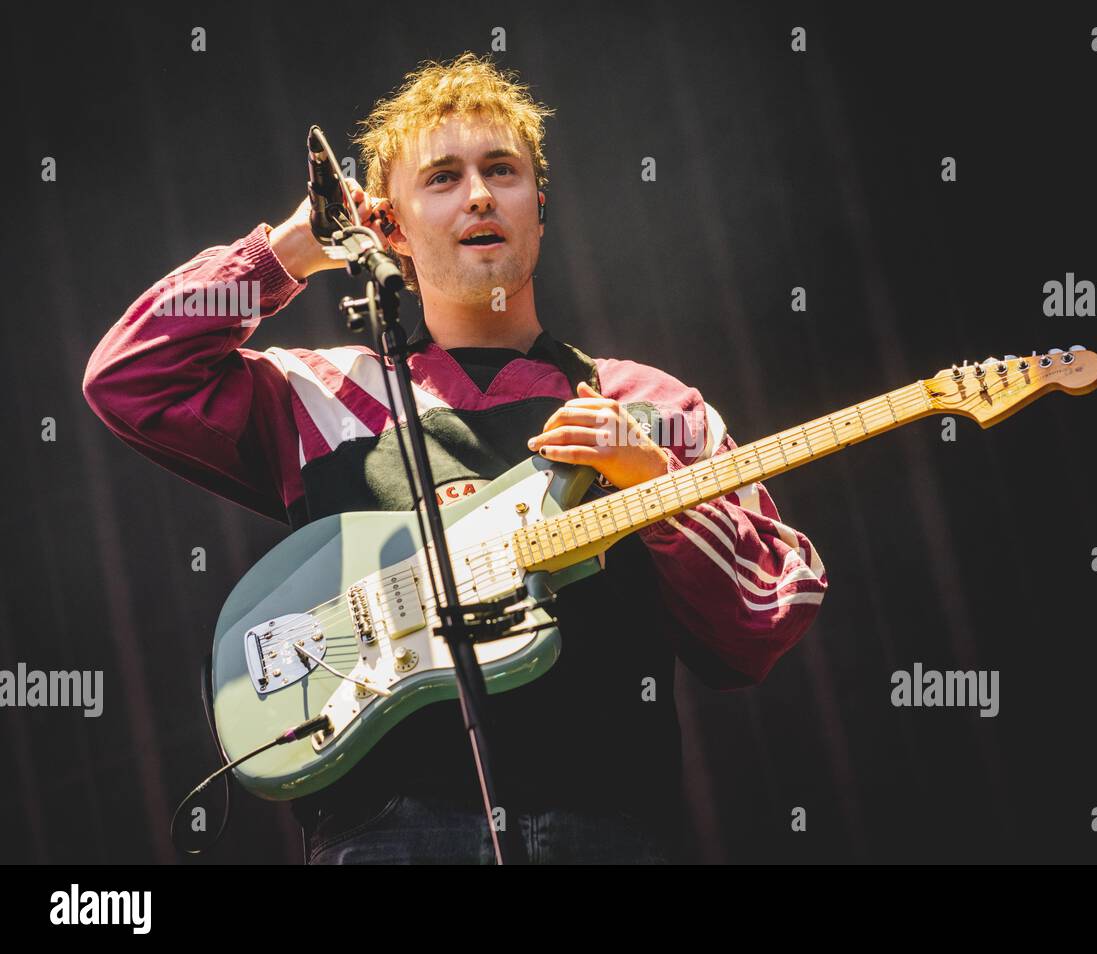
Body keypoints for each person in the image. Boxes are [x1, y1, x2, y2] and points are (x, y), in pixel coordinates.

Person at [82, 52, 827, 864]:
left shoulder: (651, 404)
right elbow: (129, 377)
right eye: (442, 177)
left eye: (501, 170)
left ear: (539, 211)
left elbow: (764, 618)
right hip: (382, 837)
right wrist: (290, 250)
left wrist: (655, 481)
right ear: (388, 227)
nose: (478, 193)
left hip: (608, 830)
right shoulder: (323, 394)